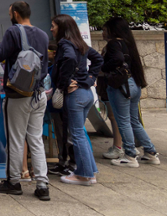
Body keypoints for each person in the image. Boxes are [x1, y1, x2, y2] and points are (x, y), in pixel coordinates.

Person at [0, 1, 50, 201]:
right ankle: (42, 184)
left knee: (16, 139)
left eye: (10, 12)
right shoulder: (43, 35)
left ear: (16, 14)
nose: (10, 15)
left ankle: (13, 182)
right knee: (35, 139)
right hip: (39, 94)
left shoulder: (13, 32)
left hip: (18, 95)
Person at [51, 14, 103, 186]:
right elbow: (97, 59)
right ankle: (90, 170)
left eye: (53, 26)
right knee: (81, 133)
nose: (51, 29)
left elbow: (70, 59)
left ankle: (84, 174)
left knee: (77, 135)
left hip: (75, 95)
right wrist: (88, 80)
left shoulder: (65, 44)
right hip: (86, 94)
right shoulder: (79, 43)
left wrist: (64, 82)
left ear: (62, 28)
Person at [101, 17, 160, 167]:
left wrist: (103, 68)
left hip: (121, 87)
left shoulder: (114, 43)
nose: (103, 33)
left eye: (104, 29)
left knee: (123, 121)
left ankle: (130, 155)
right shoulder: (128, 43)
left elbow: (117, 59)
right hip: (134, 84)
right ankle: (150, 152)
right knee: (134, 121)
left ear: (112, 30)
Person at [46, 41, 75, 176]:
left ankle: (72, 163)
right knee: (60, 134)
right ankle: (62, 161)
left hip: (62, 104)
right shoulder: (52, 67)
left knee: (67, 135)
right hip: (55, 105)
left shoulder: (63, 65)